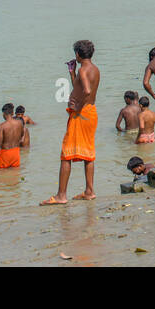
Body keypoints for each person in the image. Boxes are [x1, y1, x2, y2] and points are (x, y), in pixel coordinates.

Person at [43, 39, 100, 204]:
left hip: (81, 115)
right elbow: (82, 87)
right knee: (88, 153)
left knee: (66, 154)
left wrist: (78, 107)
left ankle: (61, 195)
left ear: (77, 54)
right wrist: (71, 72)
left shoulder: (83, 70)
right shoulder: (94, 69)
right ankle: (89, 191)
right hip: (91, 113)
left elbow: (87, 91)